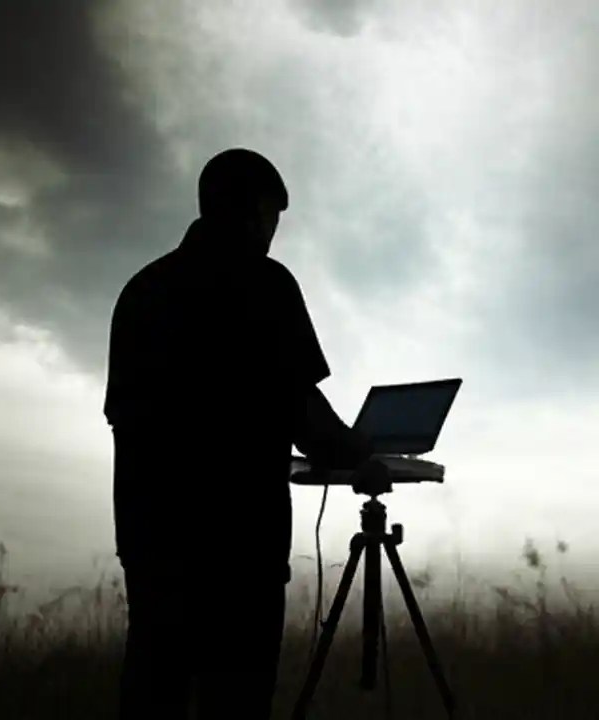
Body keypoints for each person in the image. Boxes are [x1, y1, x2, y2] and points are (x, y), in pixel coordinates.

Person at [103, 147, 386, 718]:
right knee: (236, 697)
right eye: (272, 216)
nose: (274, 232)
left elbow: (123, 415)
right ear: (255, 212)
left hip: (151, 538)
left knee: (153, 688)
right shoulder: (265, 283)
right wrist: (363, 455)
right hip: (238, 547)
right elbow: (304, 412)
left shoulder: (141, 289)